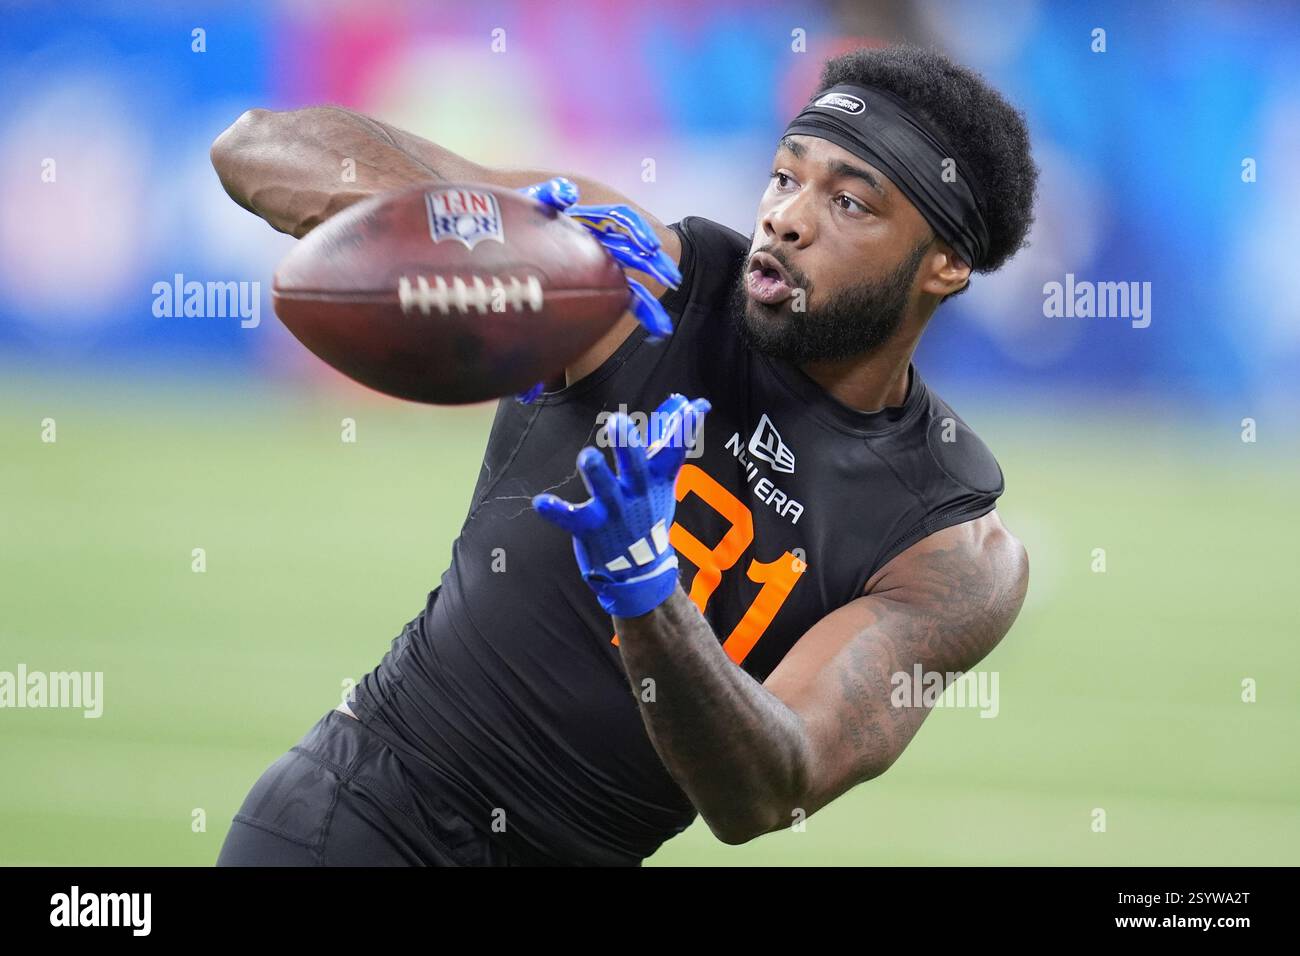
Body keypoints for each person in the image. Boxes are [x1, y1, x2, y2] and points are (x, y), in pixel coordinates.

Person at [212, 44, 1037, 866]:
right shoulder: (641, 279)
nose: (788, 217)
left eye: (851, 203)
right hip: (367, 820)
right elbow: (255, 147)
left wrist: (647, 591)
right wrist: (507, 232)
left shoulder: (949, 545)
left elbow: (765, 792)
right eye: (786, 177)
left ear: (947, 264)